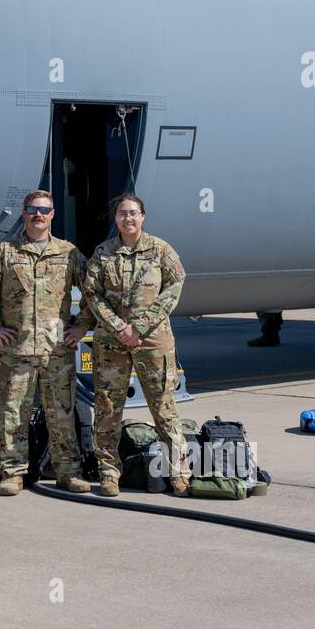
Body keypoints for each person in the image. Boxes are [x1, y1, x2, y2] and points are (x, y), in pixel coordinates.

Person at [0, 190, 91, 495]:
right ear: (24, 213)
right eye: (32, 209)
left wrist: (81, 326)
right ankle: (12, 472)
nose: (38, 215)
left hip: (56, 351)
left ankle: (67, 471)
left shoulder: (68, 253)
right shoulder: (5, 252)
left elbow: (94, 291)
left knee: (61, 413)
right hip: (17, 350)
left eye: (44, 210)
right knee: (13, 414)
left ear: (52, 215)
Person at [82, 193, 192, 497]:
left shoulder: (160, 250)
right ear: (115, 218)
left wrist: (140, 327)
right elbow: (92, 295)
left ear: (142, 216)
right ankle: (108, 473)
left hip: (153, 339)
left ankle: (179, 472)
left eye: (133, 213)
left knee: (164, 407)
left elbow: (175, 285)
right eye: (121, 213)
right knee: (107, 408)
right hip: (112, 342)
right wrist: (119, 328)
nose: (127, 218)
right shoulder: (103, 253)